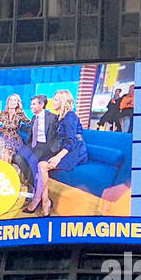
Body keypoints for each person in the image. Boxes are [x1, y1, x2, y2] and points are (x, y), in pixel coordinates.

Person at [34, 89, 88, 217]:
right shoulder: (60, 117)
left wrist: (57, 158)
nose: (53, 101)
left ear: (64, 102)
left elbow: (71, 141)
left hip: (76, 150)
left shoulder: (70, 117)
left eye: (57, 99)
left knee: (42, 166)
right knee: (39, 162)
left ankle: (45, 202)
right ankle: (44, 201)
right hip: (66, 148)